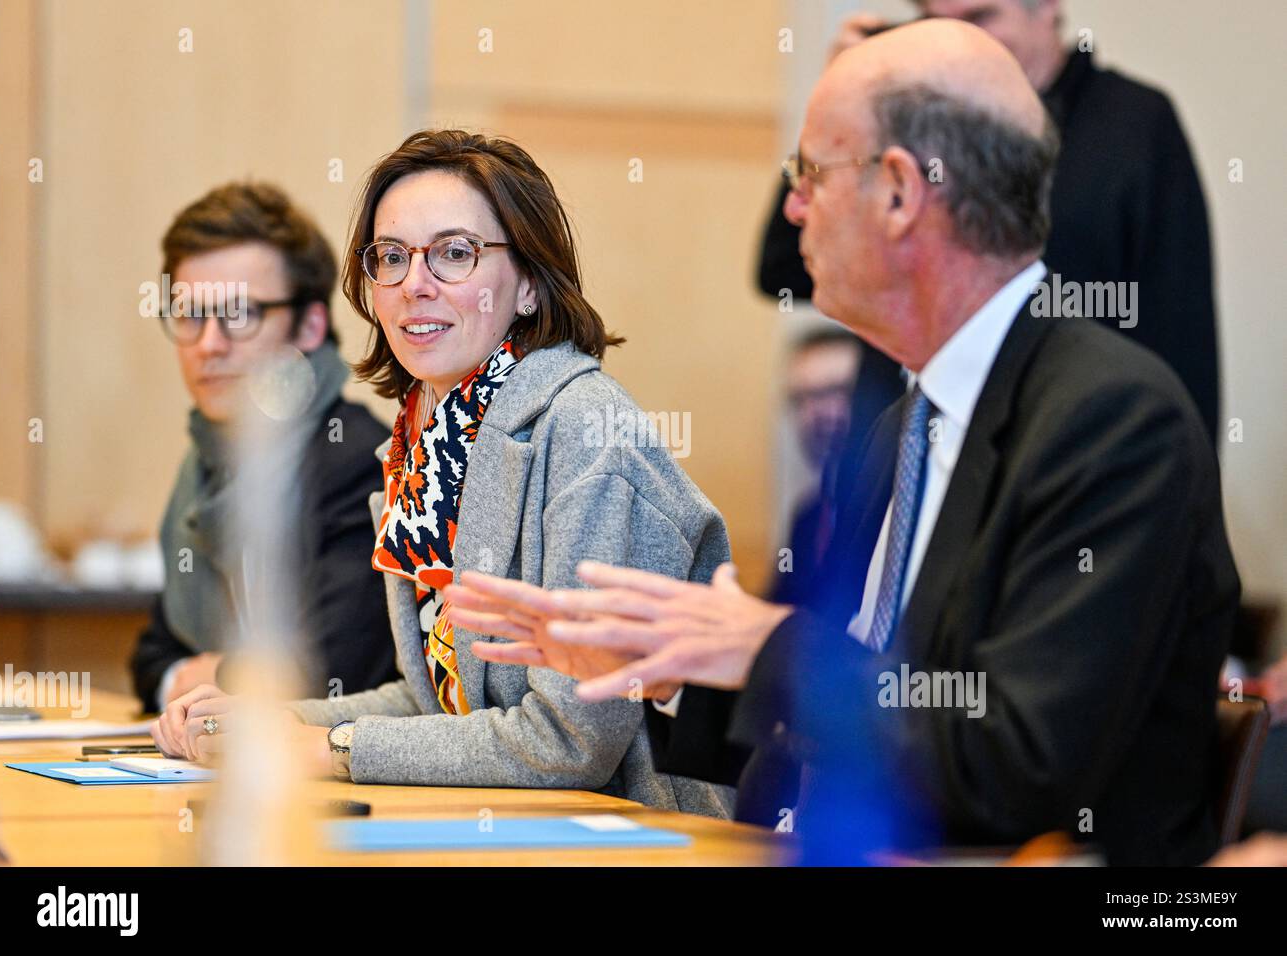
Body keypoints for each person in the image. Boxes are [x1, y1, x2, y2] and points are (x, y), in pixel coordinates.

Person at [449, 20, 1240, 865]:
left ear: (900, 193)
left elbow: (1016, 763)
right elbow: (828, 717)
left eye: (810, 175)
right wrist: (671, 670)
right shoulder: (901, 428)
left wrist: (761, 649)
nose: (793, 209)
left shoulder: (1112, 421)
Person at [150, 131, 734, 818]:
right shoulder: (421, 447)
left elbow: (571, 740)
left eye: (454, 254)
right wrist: (265, 720)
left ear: (528, 284)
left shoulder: (586, 432)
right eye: (390, 258)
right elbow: (427, 703)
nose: (414, 284)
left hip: (637, 835)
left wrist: (324, 746)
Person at [759, 0, 1221, 446]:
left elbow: (1181, 330)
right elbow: (782, 268)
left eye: (982, 16)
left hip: (1064, 438)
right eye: (936, 21)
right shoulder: (907, 115)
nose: (962, 39)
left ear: (1047, 7)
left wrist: (1174, 456)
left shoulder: (1135, 124)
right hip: (894, 427)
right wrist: (843, 105)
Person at [130, 183, 397, 714]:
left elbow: (331, 675)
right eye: (189, 314)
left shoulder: (359, 461)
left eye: (240, 313)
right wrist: (227, 677)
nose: (209, 344)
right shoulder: (205, 468)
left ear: (309, 326)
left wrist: (213, 676)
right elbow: (151, 658)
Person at [770, 327, 860, 607]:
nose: (815, 412)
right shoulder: (809, 516)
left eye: (835, 391)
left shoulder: (896, 511)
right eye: (802, 399)